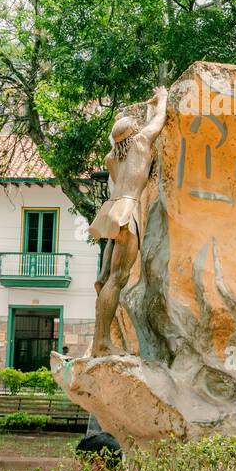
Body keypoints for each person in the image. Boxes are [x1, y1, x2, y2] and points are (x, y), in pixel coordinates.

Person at [89, 86, 168, 356]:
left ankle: (98, 340)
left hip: (111, 208)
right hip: (128, 211)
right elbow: (158, 121)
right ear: (133, 132)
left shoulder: (112, 158)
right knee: (118, 279)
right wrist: (163, 97)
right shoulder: (141, 142)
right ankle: (101, 343)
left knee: (104, 278)